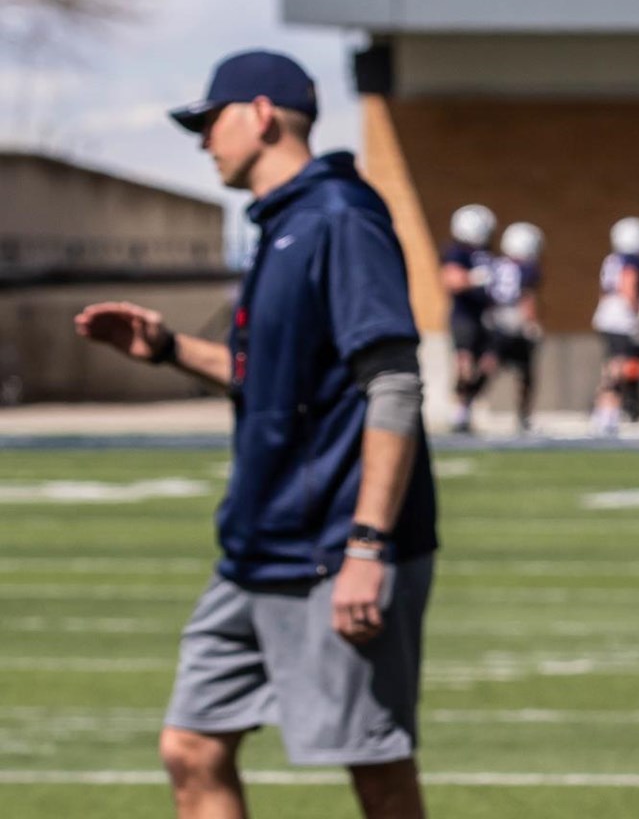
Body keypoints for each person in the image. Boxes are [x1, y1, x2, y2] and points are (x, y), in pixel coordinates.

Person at [73, 50, 437, 819]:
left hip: (334, 547)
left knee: (372, 767)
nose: (203, 139)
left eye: (211, 121)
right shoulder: (282, 225)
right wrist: (169, 347)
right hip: (254, 547)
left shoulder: (341, 216)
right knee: (192, 746)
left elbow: (393, 383)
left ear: (262, 113)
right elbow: (275, 377)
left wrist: (367, 547)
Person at [591, 216, 639, 436]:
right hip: (622, 318)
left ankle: (610, 407)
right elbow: (628, 284)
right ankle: (607, 410)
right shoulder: (631, 260)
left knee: (617, 363)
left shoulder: (612, 259)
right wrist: (638, 313)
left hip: (608, 315)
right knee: (619, 365)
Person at [440, 202, 496, 433]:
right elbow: (451, 280)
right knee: (463, 364)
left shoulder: (489, 255)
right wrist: (475, 278)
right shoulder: (457, 252)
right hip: (464, 316)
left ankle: (468, 403)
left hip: (488, 317)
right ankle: (459, 410)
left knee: (488, 364)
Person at [487, 221, 544, 433]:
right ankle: (523, 415)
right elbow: (527, 296)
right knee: (525, 373)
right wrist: (531, 323)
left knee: (489, 363)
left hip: (494, 318)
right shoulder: (527, 267)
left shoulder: (496, 264)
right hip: (515, 320)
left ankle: (463, 406)